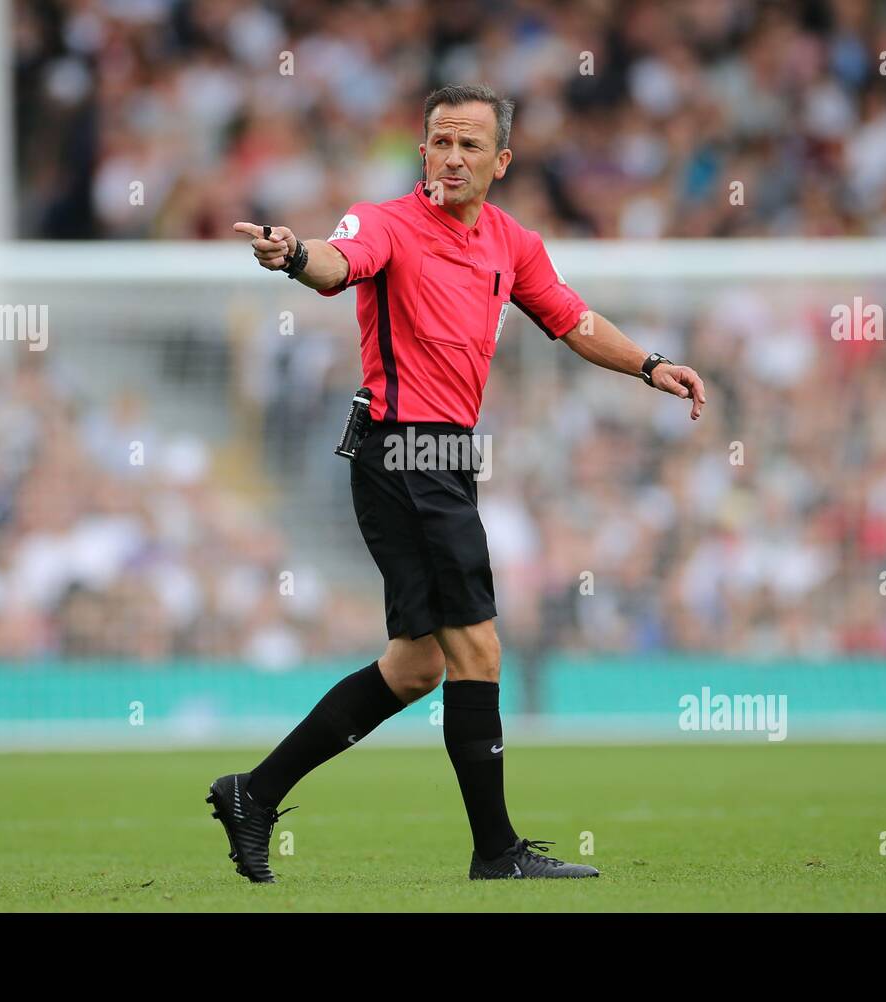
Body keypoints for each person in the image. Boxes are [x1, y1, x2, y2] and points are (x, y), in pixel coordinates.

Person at [212, 84, 706, 882]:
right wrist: (293, 253)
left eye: (470, 145)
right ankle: (496, 851)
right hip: (401, 452)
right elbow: (337, 265)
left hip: (445, 458)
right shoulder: (382, 221)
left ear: (501, 161)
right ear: (422, 151)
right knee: (478, 645)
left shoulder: (514, 243)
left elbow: (573, 320)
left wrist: (650, 365)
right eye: (439, 141)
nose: (451, 156)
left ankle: (253, 793)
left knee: (416, 666)